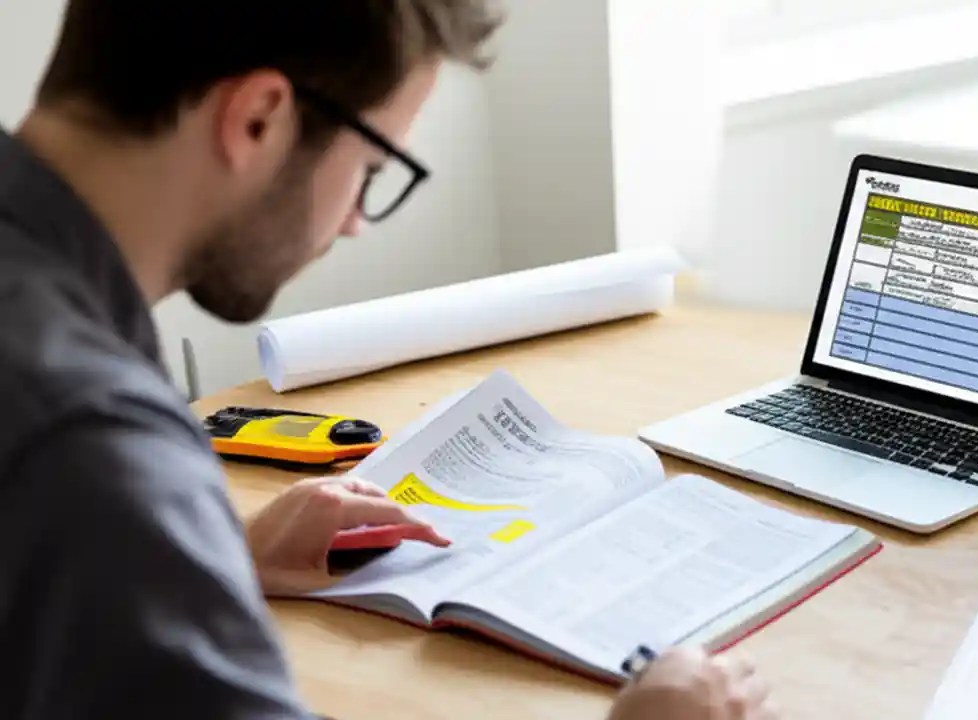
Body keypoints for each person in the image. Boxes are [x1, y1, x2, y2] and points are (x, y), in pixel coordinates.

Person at [0, 2, 779, 719]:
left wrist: (194, 570)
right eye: (371, 171)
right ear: (259, 118)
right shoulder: (90, 446)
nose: (353, 226)